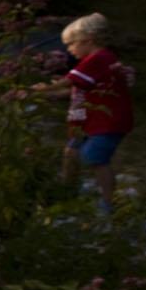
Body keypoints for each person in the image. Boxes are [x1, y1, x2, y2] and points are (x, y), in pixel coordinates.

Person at [50, 13, 133, 212]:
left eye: (71, 44)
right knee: (71, 152)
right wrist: (45, 95)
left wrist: (41, 89)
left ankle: (107, 203)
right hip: (86, 120)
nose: (69, 49)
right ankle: (67, 191)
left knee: (95, 158)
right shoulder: (99, 60)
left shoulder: (98, 59)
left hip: (105, 122)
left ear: (88, 40)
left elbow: (68, 82)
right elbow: (77, 89)